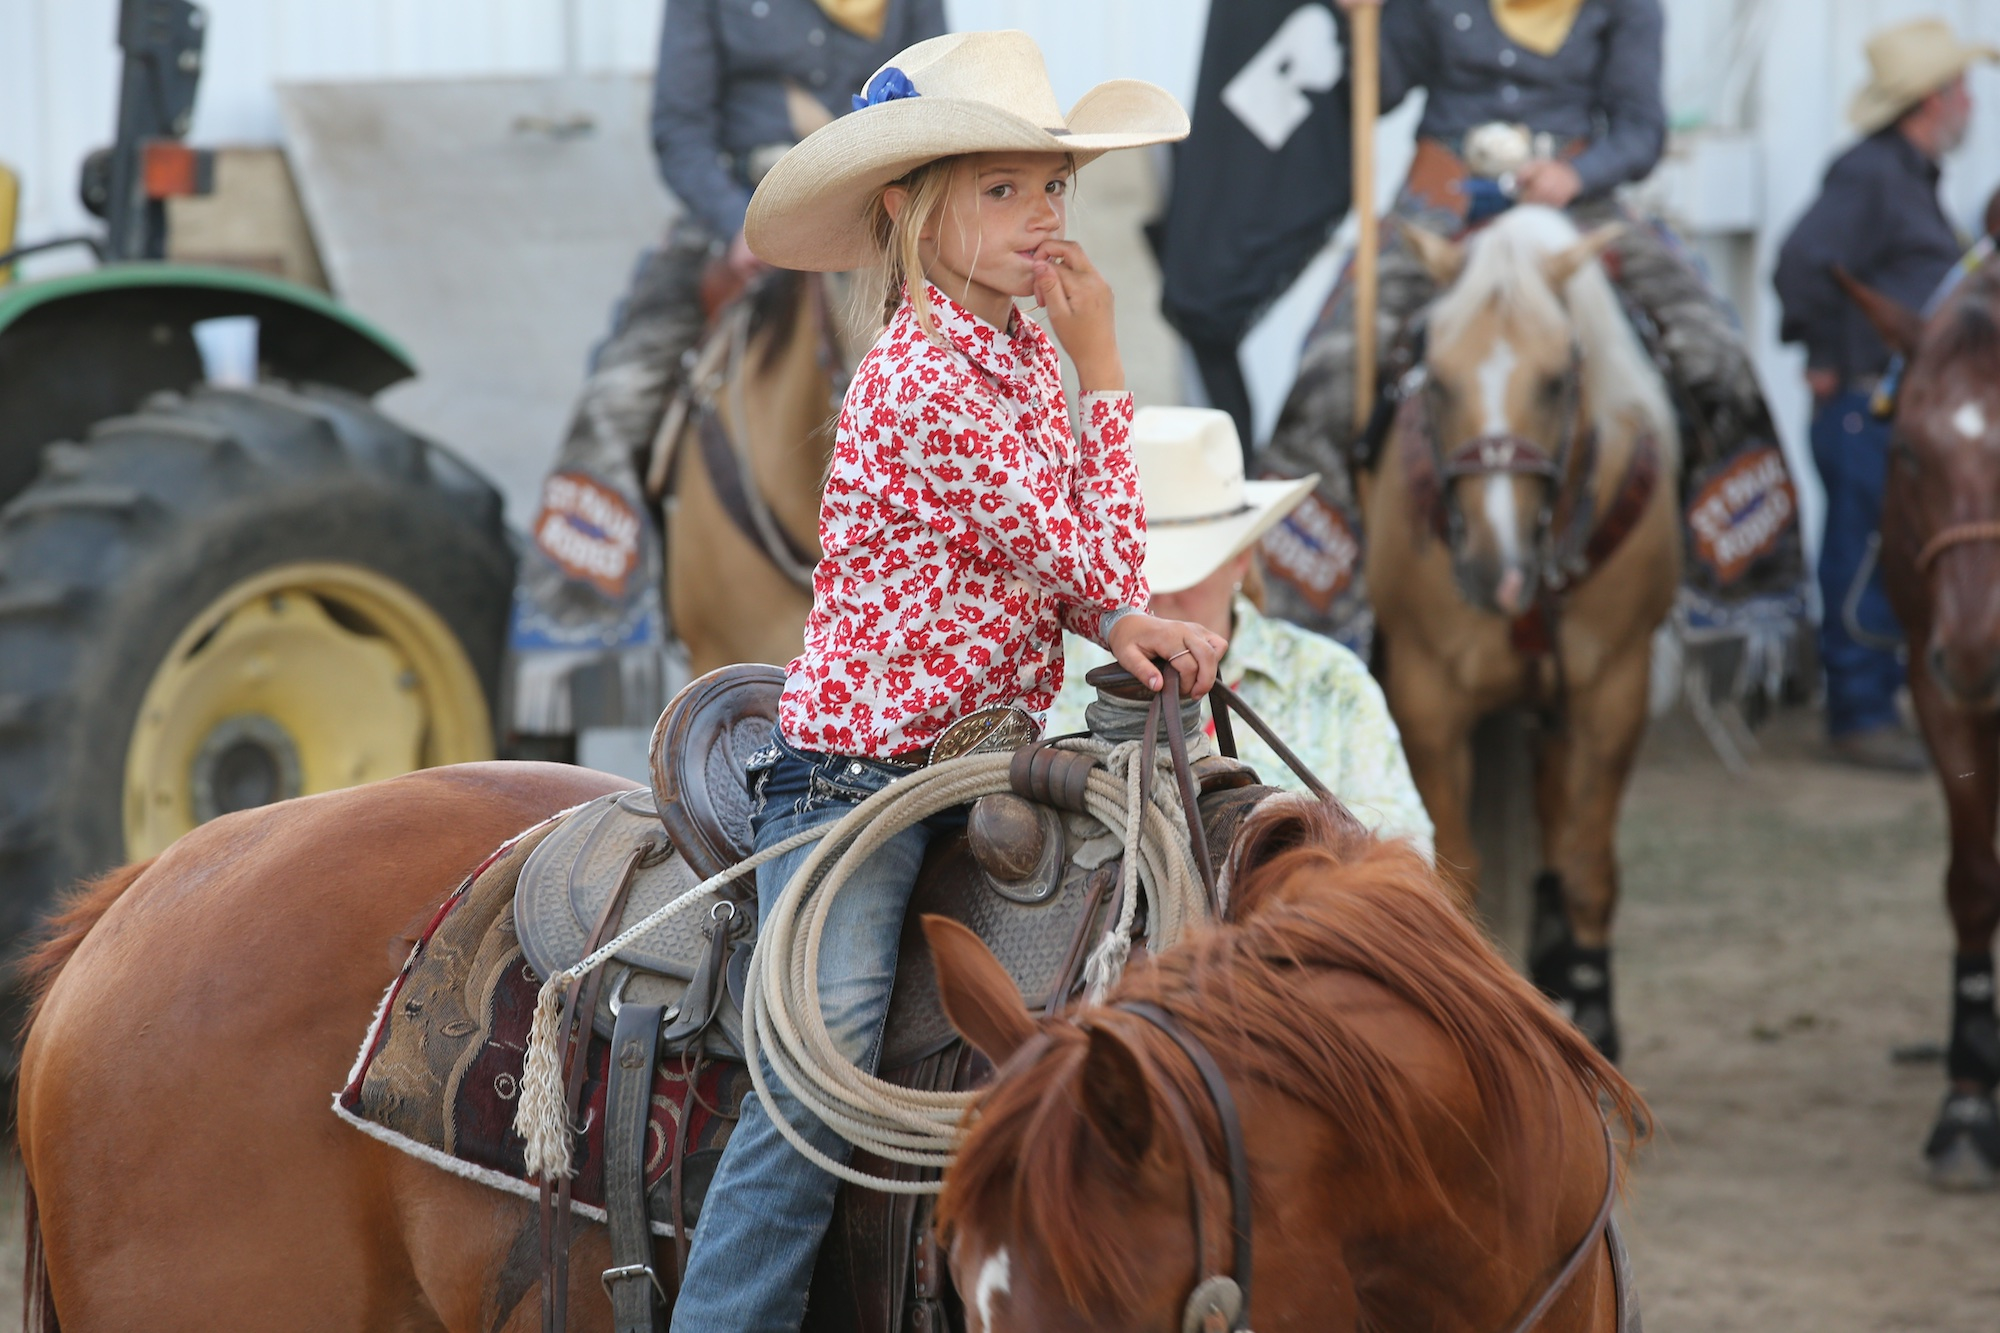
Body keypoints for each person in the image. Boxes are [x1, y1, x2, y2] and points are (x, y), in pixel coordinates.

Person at [667, 32, 1200, 1329]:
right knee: (819, 1070)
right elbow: (1092, 548)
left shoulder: (1012, 355)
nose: (1043, 216)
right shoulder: (918, 379)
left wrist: (1112, 621)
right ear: (909, 213)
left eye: (1053, 187)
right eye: (1002, 190)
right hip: (858, 781)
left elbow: (1061, 566)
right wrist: (1108, 369)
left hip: (979, 756)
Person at [1256, 0, 1802, 655]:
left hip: (1579, 206)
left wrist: (1575, 174)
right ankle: (1309, 614)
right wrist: (1359, 23)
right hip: (1439, 205)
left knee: (1715, 358)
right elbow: (1379, 93)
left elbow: (1640, 131)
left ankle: (1736, 600)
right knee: (1329, 372)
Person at [507, 0, 947, 720]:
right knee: (614, 403)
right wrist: (742, 223)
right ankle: (573, 656)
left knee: (996, 375)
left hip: (883, 219)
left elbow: (942, 107)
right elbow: (681, 129)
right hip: (743, 213)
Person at [1047, 406, 1434, 857]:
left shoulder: (1331, 682)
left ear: (1240, 558)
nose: (1157, 591)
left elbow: (1406, 855)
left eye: (1184, 567)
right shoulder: (1050, 674)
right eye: (1134, 566)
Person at [1774, 18, 1995, 772]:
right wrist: (1824, 354)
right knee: (1862, 554)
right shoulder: (1871, 172)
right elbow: (1800, 261)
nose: (1972, 104)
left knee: (1893, 553)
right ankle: (1860, 715)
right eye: (1963, 89)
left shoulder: (1907, 174)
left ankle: (1881, 701)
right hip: (1863, 404)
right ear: (1934, 100)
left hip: (1891, 406)